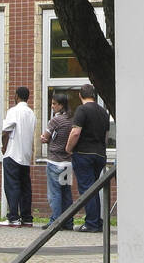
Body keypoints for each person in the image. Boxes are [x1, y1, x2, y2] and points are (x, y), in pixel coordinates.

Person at [66, 83, 111, 233]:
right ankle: (97, 221)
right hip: (100, 155)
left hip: (84, 154)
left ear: (80, 95)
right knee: (94, 188)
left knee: (87, 189)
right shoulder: (103, 112)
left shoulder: (82, 110)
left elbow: (76, 132)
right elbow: (105, 137)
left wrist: (68, 148)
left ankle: (91, 223)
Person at [0, 86, 36, 227]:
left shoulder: (13, 111)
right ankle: (27, 217)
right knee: (25, 187)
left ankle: (13, 217)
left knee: (12, 186)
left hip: (13, 153)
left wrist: (3, 146)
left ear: (16, 96)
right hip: (26, 155)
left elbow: (6, 131)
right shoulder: (31, 113)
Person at [41, 92, 75, 230]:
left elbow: (45, 137)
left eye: (54, 103)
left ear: (61, 105)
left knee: (54, 193)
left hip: (55, 162)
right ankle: (68, 222)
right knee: (66, 193)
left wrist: (43, 139)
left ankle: (55, 222)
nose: (52, 106)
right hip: (68, 163)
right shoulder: (71, 120)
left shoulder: (55, 121)